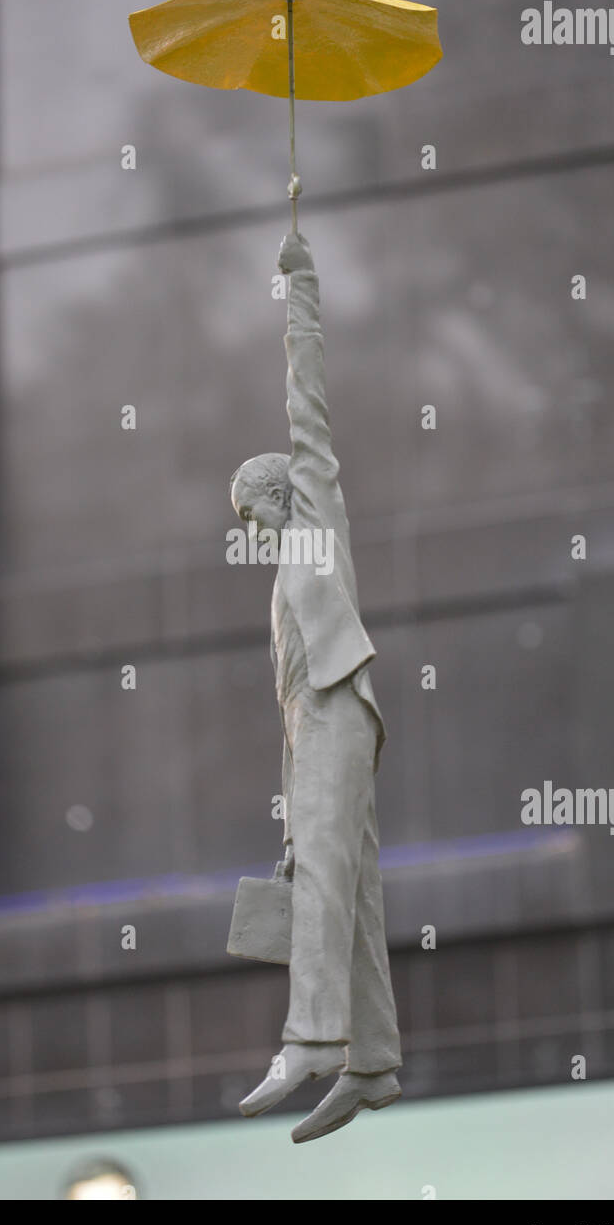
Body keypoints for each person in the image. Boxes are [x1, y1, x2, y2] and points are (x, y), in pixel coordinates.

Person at [229, 231, 402, 1143]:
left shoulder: (317, 513)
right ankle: (372, 1064)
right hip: (321, 728)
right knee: (349, 882)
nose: (252, 531)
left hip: (344, 705)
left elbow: (309, 402)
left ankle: (310, 1039)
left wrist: (298, 286)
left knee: (336, 884)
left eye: (253, 513)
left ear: (280, 493)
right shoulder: (277, 584)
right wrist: (291, 816)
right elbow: (289, 702)